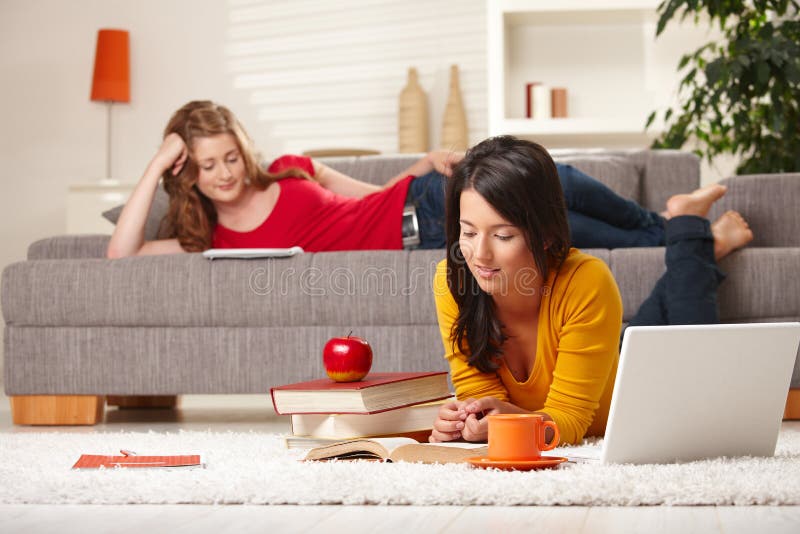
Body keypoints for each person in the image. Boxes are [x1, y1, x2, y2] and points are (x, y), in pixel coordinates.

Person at [428, 136, 753, 446]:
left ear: (545, 236)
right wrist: (469, 419)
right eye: (468, 232)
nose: (479, 254)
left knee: (692, 343)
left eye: (502, 236)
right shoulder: (452, 280)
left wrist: (511, 423)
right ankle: (700, 241)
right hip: (609, 354)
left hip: (638, 391)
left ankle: (690, 230)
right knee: (651, 321)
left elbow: (570, 421)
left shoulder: (588, 280)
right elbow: (477, 389)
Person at [108, 100, 731, 258]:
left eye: (230, 158)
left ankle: (670, 223)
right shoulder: (208, 240)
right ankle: (684, 227)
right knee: (561, 232)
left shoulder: (293, 167)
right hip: (430, 237)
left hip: (426, 198)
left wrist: (414, 167)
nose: (224, 174)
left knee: (551, 176)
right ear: (187, 171)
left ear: (244, 150)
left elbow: (368, 200)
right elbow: (121, 253)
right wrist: (158, 160)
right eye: (207, 164)